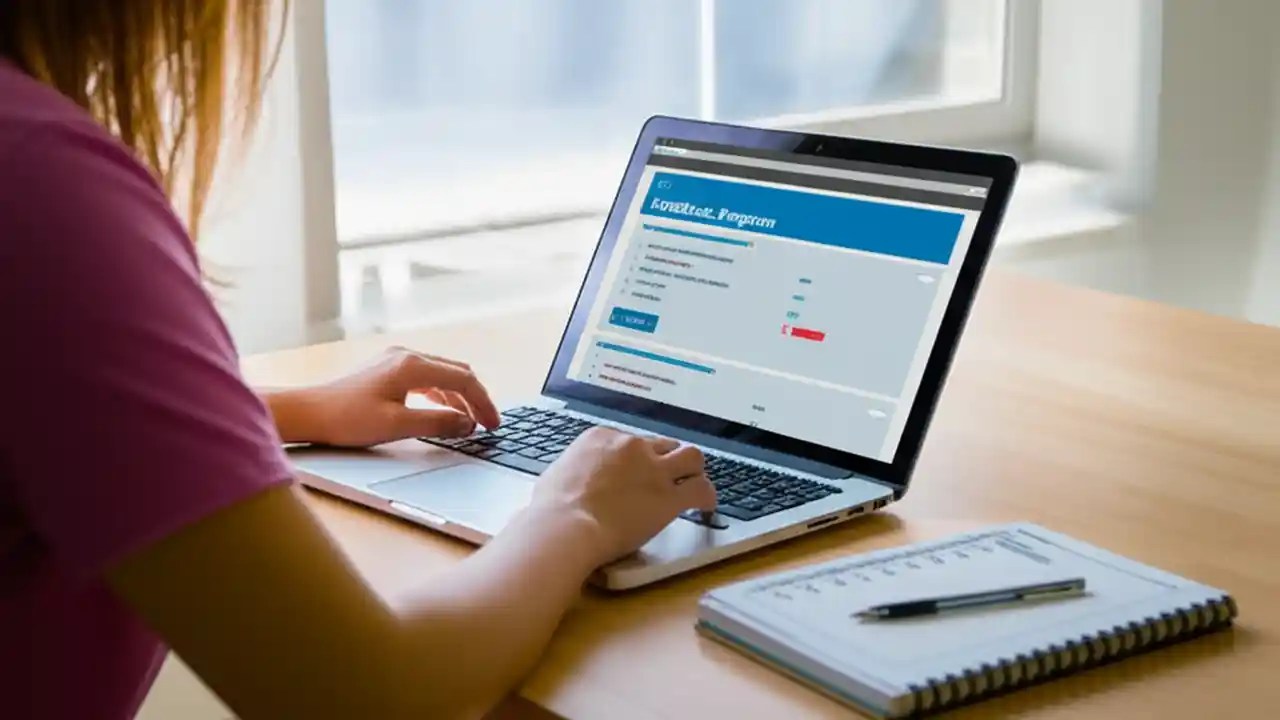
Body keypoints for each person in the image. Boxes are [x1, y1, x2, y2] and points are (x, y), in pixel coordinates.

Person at [0, 2, 717, 718]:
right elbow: (369, 697)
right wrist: (575, 513)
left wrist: (296, 410)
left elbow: (43, 406)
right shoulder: (46, 192)